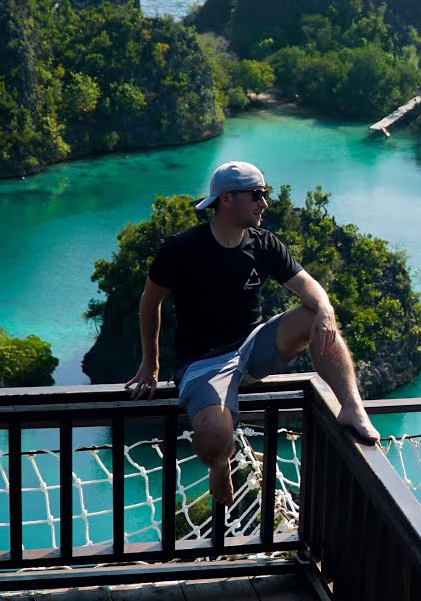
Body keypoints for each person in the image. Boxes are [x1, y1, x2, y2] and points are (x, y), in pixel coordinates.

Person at [126, 161, 379, 503]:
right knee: (214, 439)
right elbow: (150, 300)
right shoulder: (182, 249)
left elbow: (307, 286)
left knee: (314, 316)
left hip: (251, 346)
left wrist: (326, 308)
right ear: (227, 199)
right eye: (257, 195)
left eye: (264, 194)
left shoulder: (264, 244)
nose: (265, 203)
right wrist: (150, 362)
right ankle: (220, 464)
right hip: (203, 363)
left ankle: (351, 406)